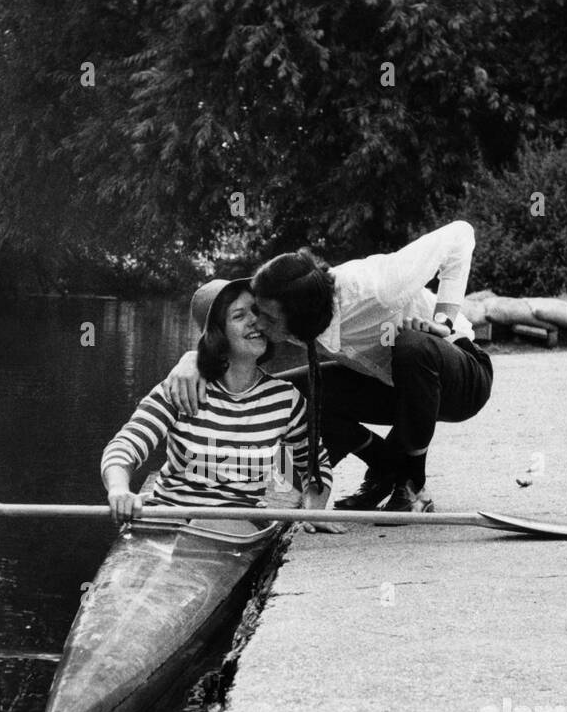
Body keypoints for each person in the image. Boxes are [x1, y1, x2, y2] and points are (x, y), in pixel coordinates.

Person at [161, 220, 493, 514]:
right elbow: (228, 323)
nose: (257, 324)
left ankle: (413, 484)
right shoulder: (281, 297)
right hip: (394, 388)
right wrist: (193, 359)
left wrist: (443, 321)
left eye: (268, 318)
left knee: (411, 345)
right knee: (292, 395)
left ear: (301, 317)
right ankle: (381, 465)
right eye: (256, 313)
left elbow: (460, 235)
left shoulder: (377, 288)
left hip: (459, 380)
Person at [102, 279, 337, 530]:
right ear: (218, 334)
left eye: (257, 312)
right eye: (239, 316)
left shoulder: (285, 400)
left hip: (236, 526)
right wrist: (118, 489)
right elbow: (125, 445)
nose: (255, 321)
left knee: (217, 524)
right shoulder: (182, 386)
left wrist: (313, 511)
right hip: (167, 514)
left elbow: (315, 467)